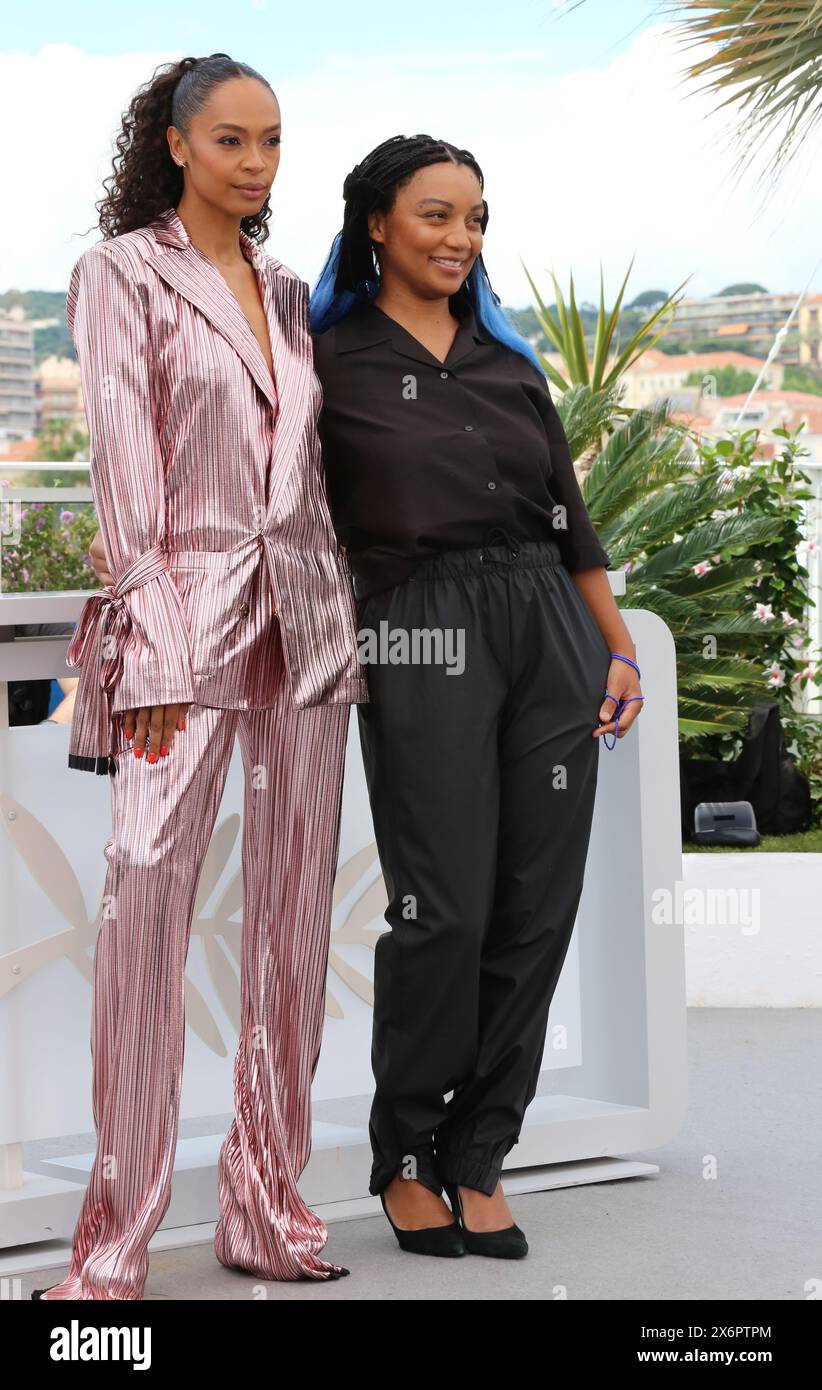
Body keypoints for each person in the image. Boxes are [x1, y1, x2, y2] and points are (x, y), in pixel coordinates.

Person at [33, 53, 366, 1300]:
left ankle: (265, 1211)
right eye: (230, 139)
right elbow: (128, 474)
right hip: (182, 625)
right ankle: (112, 1249)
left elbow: (306, 472)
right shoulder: (121, 273)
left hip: (307, 631)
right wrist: (156, 643)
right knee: (142, 918)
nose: (256, 163)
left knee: (289, 934)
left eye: (272, 141)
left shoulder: (287, 292)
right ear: (175, 143)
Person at [308, 134, 644, 1259]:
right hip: (420, 628)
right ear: (377, 225)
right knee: (440, 908)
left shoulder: (510, 363)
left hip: (546, 625)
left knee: (535, 906)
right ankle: (405, 1150)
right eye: (436, 215)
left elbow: (572, 521)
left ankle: (482, 1151)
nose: (461, 238)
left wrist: (616, 648)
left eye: (477, 218)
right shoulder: (327, 361)